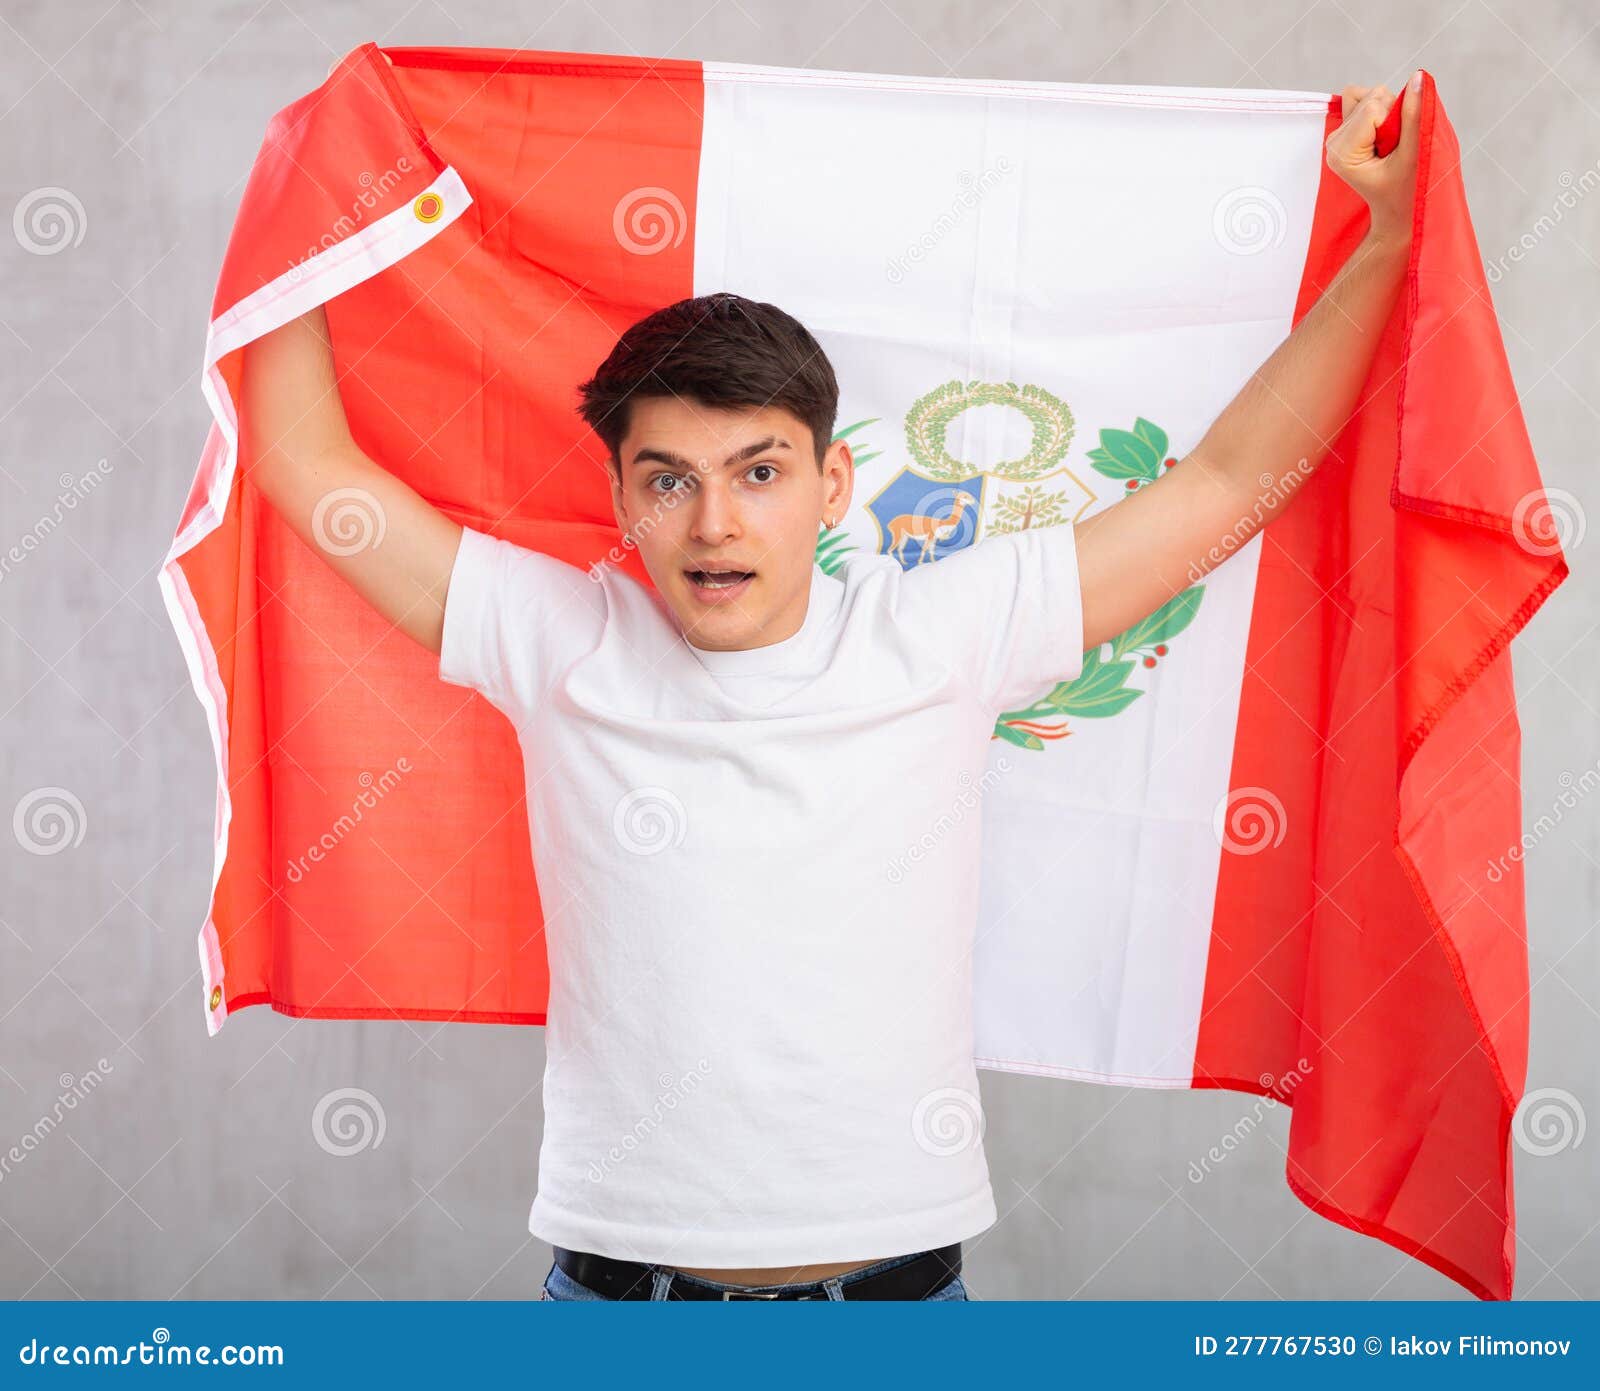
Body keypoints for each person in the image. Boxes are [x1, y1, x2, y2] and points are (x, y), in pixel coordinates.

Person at [239, 78, 1420, 1301]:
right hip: (618, 1302)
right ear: (619, 499)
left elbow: (1226, 484)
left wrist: (1384, 240)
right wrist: (304, 185)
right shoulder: (556, 642)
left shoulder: (948, 633)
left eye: (758, 471)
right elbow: (302, 459)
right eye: (667, 480)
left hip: (893, 1303)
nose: (714, 522)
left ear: (833, 481)